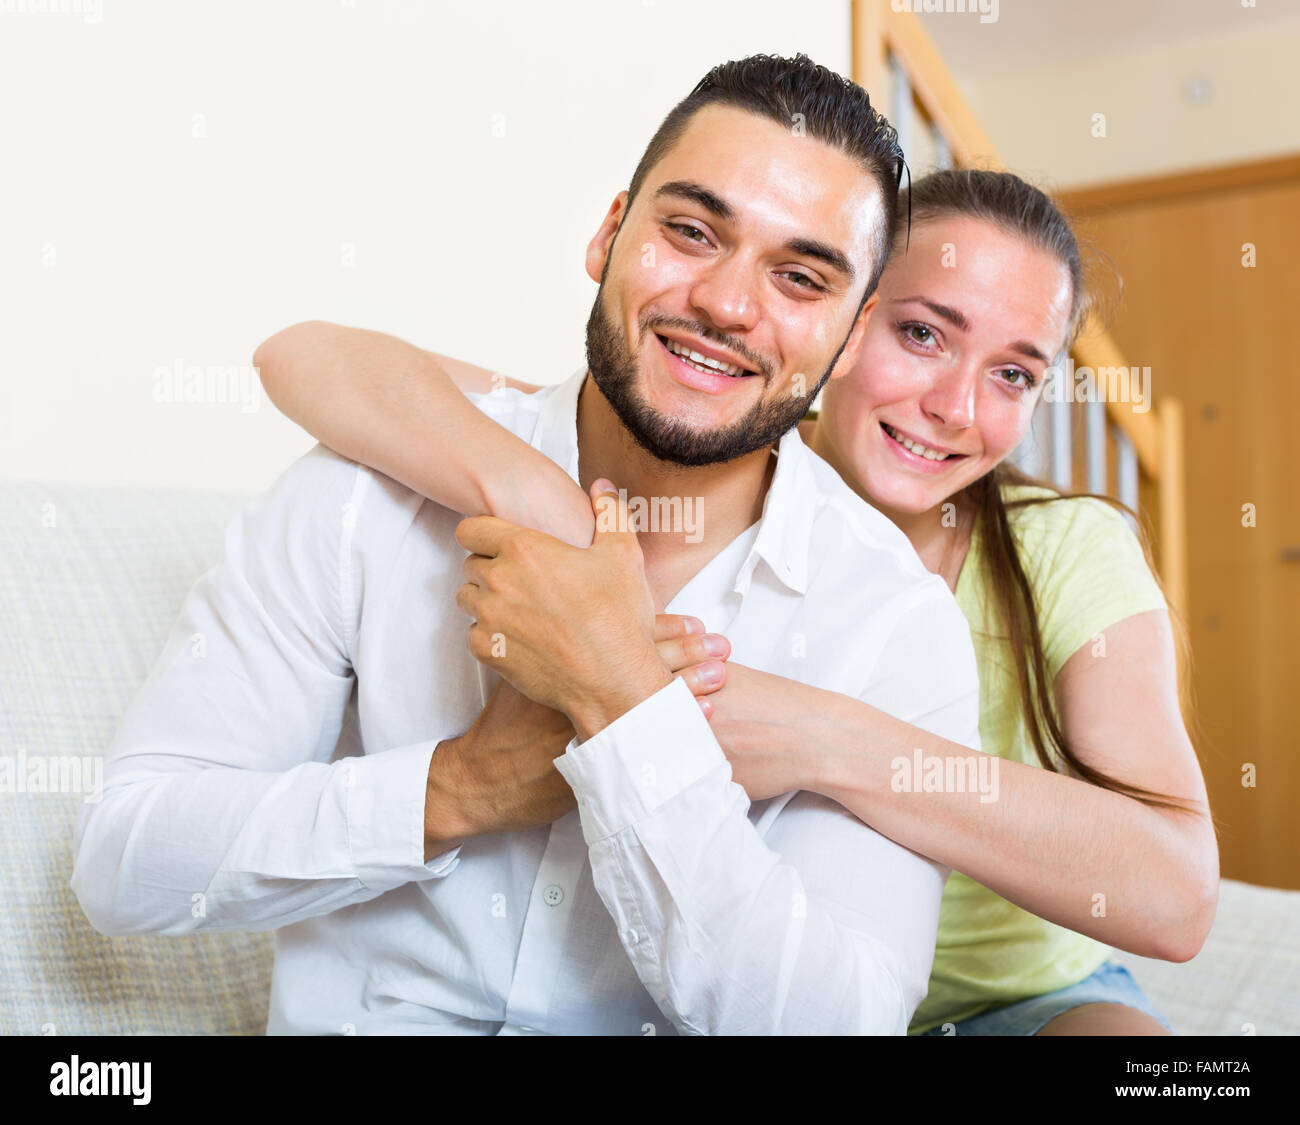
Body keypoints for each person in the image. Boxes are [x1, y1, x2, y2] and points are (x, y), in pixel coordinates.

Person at [71, 54, 985, 1035]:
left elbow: (833, 1024)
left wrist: (622, 703)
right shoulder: (363, 496)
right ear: (607, 235)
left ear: (848, 344)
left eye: (800, 277)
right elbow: (126, 863)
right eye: (689, 231)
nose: (727, 303)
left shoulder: (891, 628)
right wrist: (460, 786)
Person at [254, 169, 1219, 1036]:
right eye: (922, 335)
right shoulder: (709, 449)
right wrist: (551, 503)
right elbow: (312, 359)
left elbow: (1175, 897)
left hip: (1024, 1005)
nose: (956, 407)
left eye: (1013, 373)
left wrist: (823, 737)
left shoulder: (1064, 548)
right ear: (845, 324)